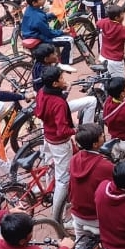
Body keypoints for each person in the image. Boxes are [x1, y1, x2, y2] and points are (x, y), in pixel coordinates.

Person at [35, 64, 96, 212]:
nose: (64, 79)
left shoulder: (42, 92)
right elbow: (63, 131)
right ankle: (59, 213)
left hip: (48, 136)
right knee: (63, 179)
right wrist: (76, 130)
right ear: (55, 83)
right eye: (61, 78)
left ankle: (50, 193)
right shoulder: (59, 104)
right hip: (59, 142)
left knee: (51, 167)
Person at [69, 124, 119, 240]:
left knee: (79, 246)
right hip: (96, 217)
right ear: (95, 144)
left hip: (76, 214)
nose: (104, 136)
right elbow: (119, 187)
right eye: (102, 136)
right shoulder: (105, 166)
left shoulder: (74, 159)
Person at [21, 0, 73, 65]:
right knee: (69, 40)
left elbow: (43, 16)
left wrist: (53, 15)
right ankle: (64, 65)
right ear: (34, 3)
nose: (43, 0)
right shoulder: (38, 18)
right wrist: (62, 31)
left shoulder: (29, 9)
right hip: (39, 39)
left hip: (28, 35)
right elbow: (49, 34)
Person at [99, 3, 125, 80]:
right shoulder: (122, 29)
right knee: (119, 85)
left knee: (105, 80)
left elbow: (98, 23)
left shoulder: (104, 22)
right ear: (117, 17)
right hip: (115, 61)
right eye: (121, 14)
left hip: (103, 57)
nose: (124, 15)